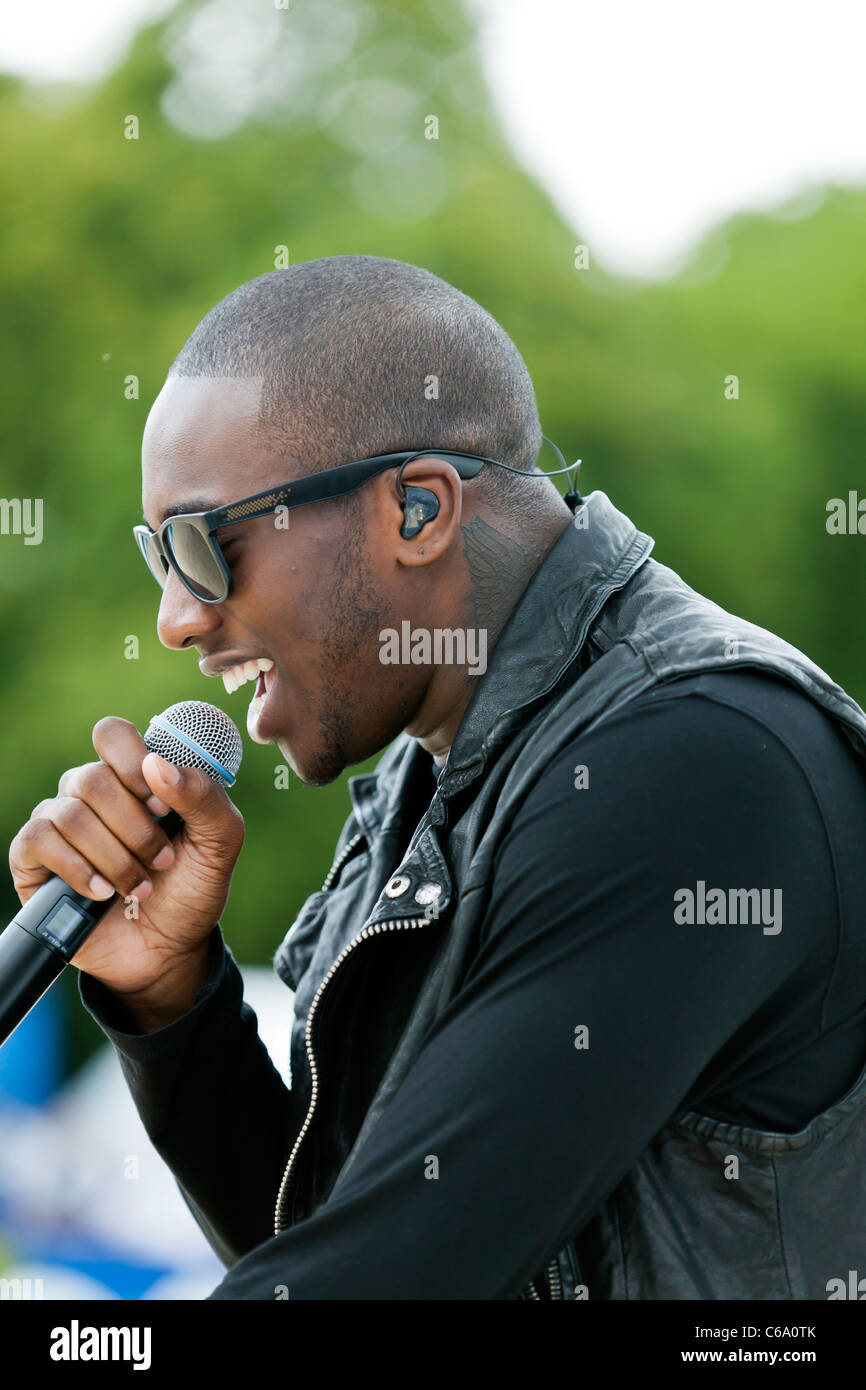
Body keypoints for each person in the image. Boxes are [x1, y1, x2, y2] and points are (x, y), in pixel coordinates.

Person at [10, 255, 866, 1300]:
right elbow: (324, 1239)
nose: (177, 618)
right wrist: (169, 998)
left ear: (416, 510)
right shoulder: (431, 787)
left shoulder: (695, 760)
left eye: (201, 544)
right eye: (161, 557)